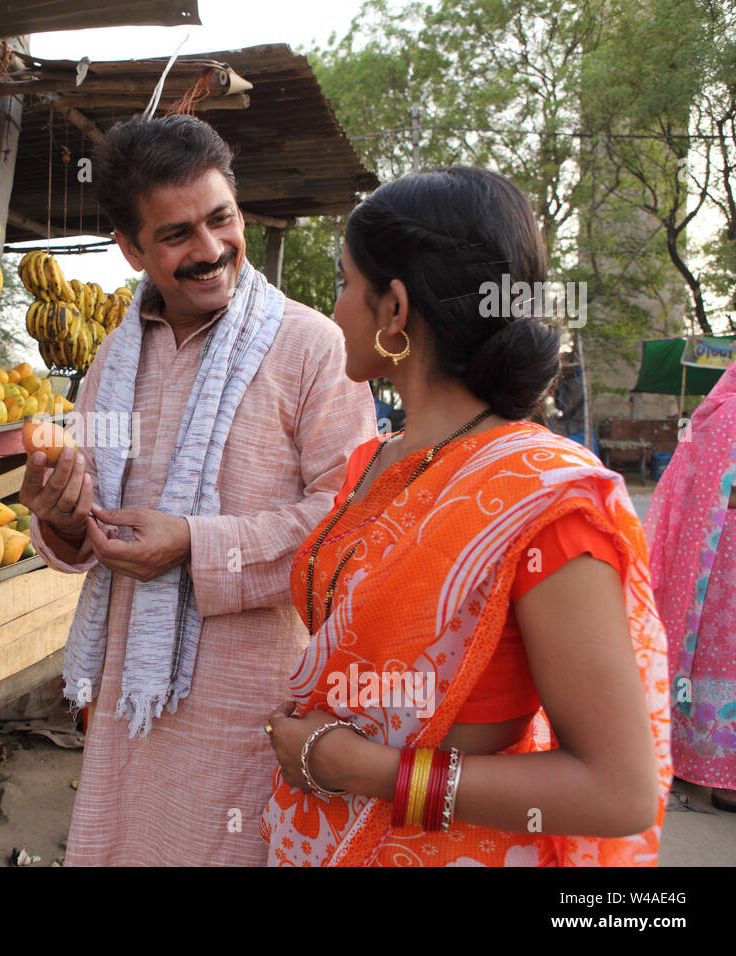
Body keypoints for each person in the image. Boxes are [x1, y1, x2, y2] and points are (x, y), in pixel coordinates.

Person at [260, 166, 671, 866]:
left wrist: (366, 771)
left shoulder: (543, 503)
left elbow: (620, 790)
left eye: (343, 283)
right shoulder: (376, 465)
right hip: (322, 837)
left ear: (393, 309)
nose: (333, 311)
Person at [20, 114, 377, 866]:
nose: (212, 250)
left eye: (222, 219)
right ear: (130, 248)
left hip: (257, 696)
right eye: (178, 234)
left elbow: (349, 523)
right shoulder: (115, 357)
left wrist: (191, 545)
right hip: (132, 693)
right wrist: (58, 519)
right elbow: (86, 525)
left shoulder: (313, 346)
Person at [646, 362, 736, 812]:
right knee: (719, 657)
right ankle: (715, 774)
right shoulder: (726, 415)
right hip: (720, 570)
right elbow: (720, 490)